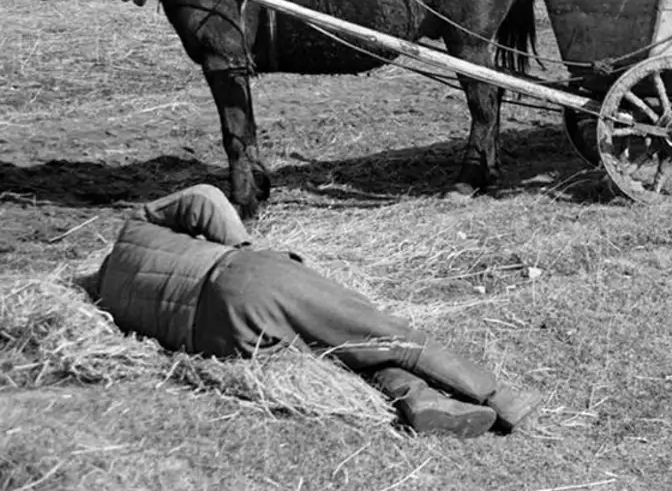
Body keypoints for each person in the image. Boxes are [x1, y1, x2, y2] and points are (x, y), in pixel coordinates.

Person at [78, 183, 541, 438]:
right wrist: (243, 247)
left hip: (214, 340)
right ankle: (497, 396)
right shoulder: (132, 230)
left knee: (333, 351)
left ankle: (417, 399)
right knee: (377, 330)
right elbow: (205, 198)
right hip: (239, 278)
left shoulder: (109, 301)